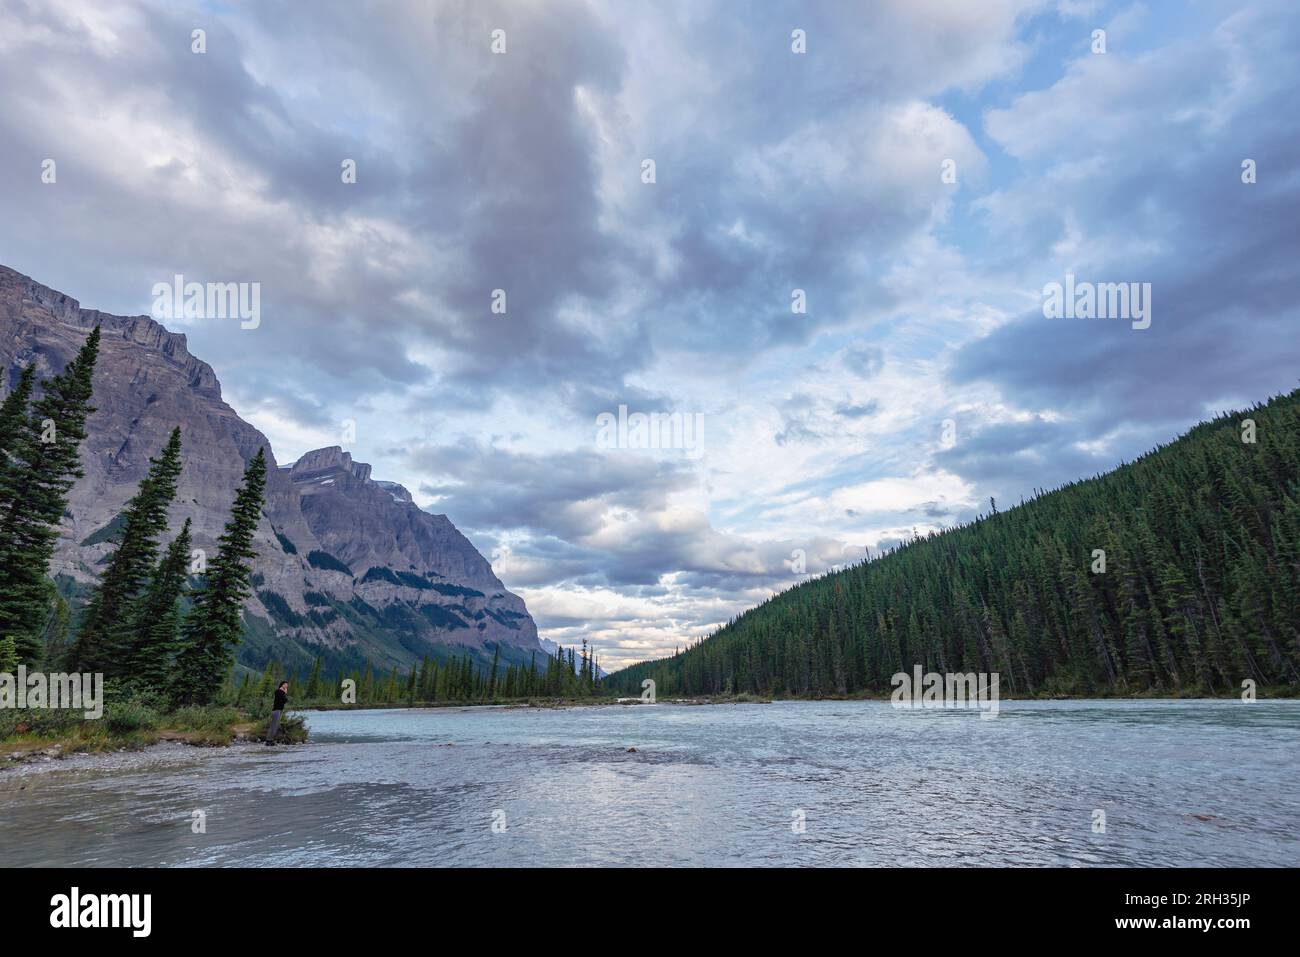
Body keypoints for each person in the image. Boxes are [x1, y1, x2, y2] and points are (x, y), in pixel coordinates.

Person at [266, 680, 289, 745]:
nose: (287, 686)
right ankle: (268, 740)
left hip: (279, 710)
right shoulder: (279, 691)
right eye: (286, 684)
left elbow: (284, 701)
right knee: (273, 725)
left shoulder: (281, 692)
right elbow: (285, 700)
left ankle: (271, 740)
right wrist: (285, 693)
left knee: (275, 725)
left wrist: (284, 693)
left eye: (287, 685)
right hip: (276, 710)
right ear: (282, 685)